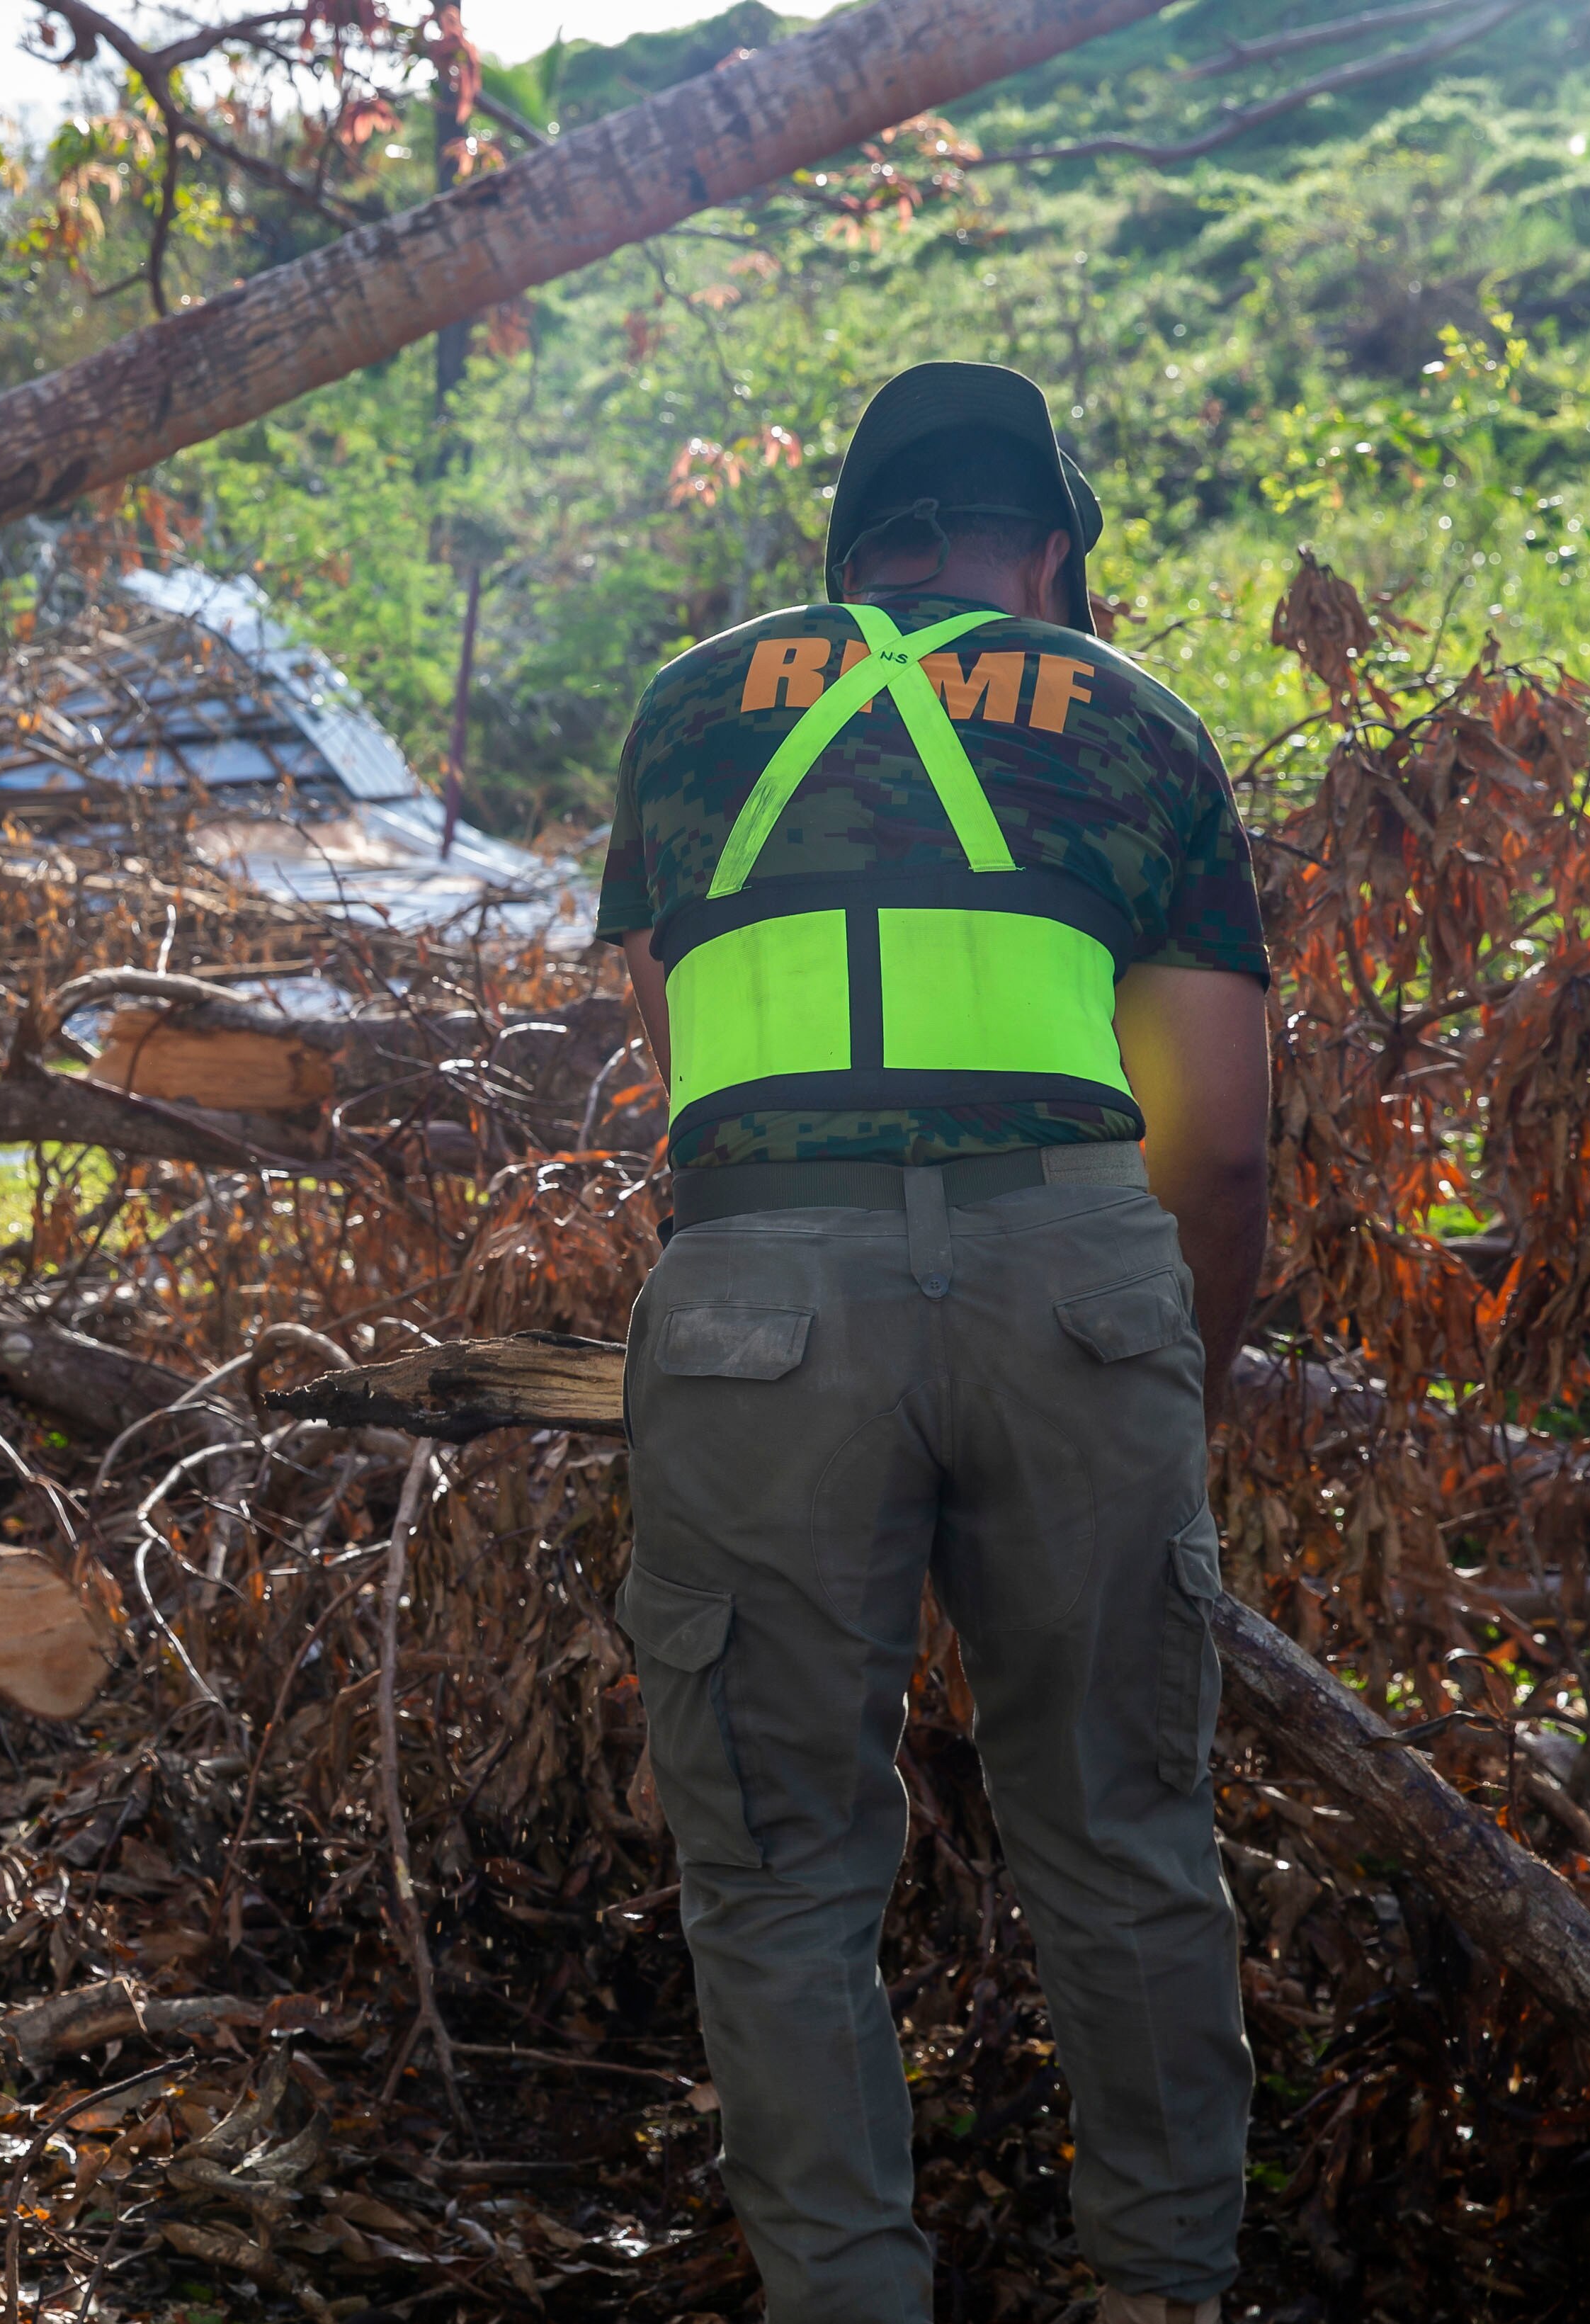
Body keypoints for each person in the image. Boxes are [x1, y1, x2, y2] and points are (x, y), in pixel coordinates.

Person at [593, 361, 1269, 2324]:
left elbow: (679, 1059)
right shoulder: (1134, 719)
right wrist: (1163, 1378)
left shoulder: (686, 709)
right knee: (1124, 1833)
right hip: (1069, 1276)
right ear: (1051, 554)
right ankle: (1160, 2289)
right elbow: (1215, 1145)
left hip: (755, 1296)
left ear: (842, 556)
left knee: (781, 1875)